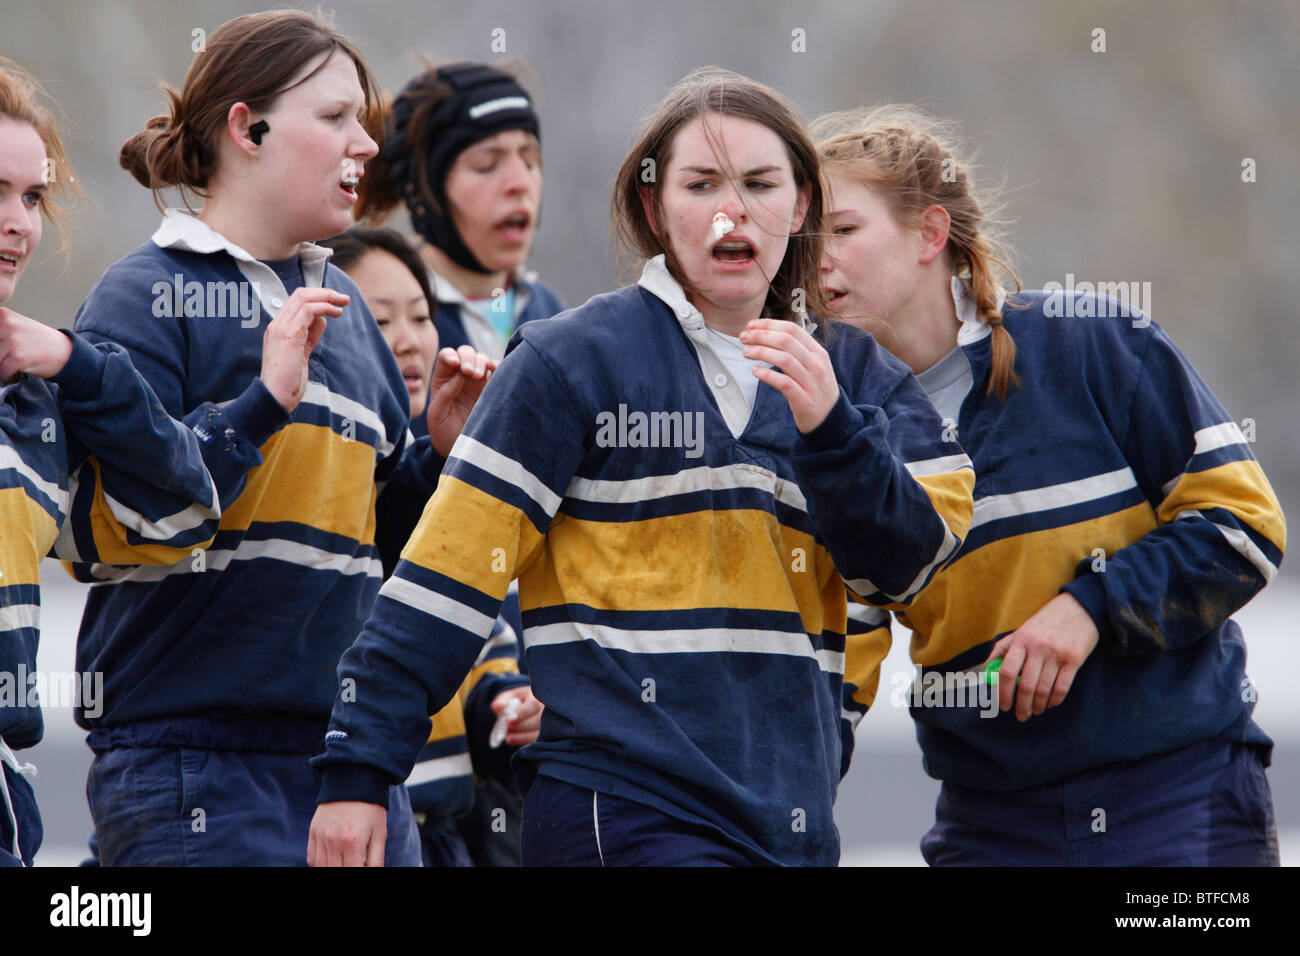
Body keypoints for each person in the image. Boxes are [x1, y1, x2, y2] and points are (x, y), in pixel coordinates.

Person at [309, 68, 973, 867]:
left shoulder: (857, 377)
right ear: (656, 211)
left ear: (800, 209)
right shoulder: (570, 361)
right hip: (616, 812)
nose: (732, 210)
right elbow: (445, 580)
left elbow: (915, 570)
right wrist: (356, 772)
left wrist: (832, 433)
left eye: (761, 184)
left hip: (788, 823)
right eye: (701, 185)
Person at [816, 105, 1285, 865]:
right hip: (990, 826)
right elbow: (838, 661)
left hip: (1177, 792)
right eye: (804, 242)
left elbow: (1245, 528)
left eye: (841, 231)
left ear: (931, 234)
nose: (818, 261)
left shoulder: (1095, 343)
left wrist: (1091, 608)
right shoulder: (838, 438)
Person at [66, 10, 452, 866]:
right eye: (336, 117)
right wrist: (263, 404)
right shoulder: (144, 297)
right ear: (246, 127)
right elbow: (105, 539)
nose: (365, 145)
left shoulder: (350, 314)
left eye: (366, 121)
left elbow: (376, 550)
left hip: (352, 768)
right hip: (191, 767)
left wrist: (441, 455)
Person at [0, 55, 278, 865]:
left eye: (31, 196)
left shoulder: (27, 415)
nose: (18, 223)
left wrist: (77, 366)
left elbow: (180, 517)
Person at [353, 61, 570, 861]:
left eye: (529, 158)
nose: (519, 183)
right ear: (425, 191)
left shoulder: (555, 322)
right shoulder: (389, 320)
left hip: (535, 718)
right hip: (430, 730)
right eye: (486, 164)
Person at [322, 226, 541, 866]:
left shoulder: (440, 480)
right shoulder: (314, 485)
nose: (408, 337)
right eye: (376, 316)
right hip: (341, 818)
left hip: (439, 833)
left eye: (421, 315)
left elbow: (480, 648)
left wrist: (505, 706)